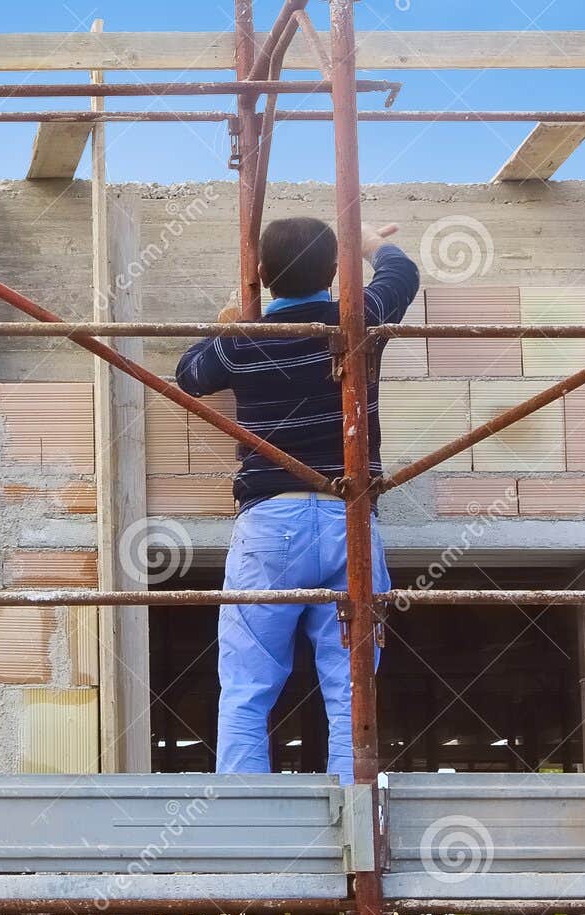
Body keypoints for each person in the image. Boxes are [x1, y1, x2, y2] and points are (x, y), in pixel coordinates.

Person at [175, 215, 419, 783]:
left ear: (262, 274)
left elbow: (189, 375)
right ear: (334, 272)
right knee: (351, 687)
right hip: (347, 518)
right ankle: (356, 810)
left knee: (247, 685)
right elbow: (401, 275)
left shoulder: (243, 343)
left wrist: (229, 318)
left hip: (270, 524)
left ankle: (244, 816)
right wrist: (369, 243)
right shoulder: (358, 322)